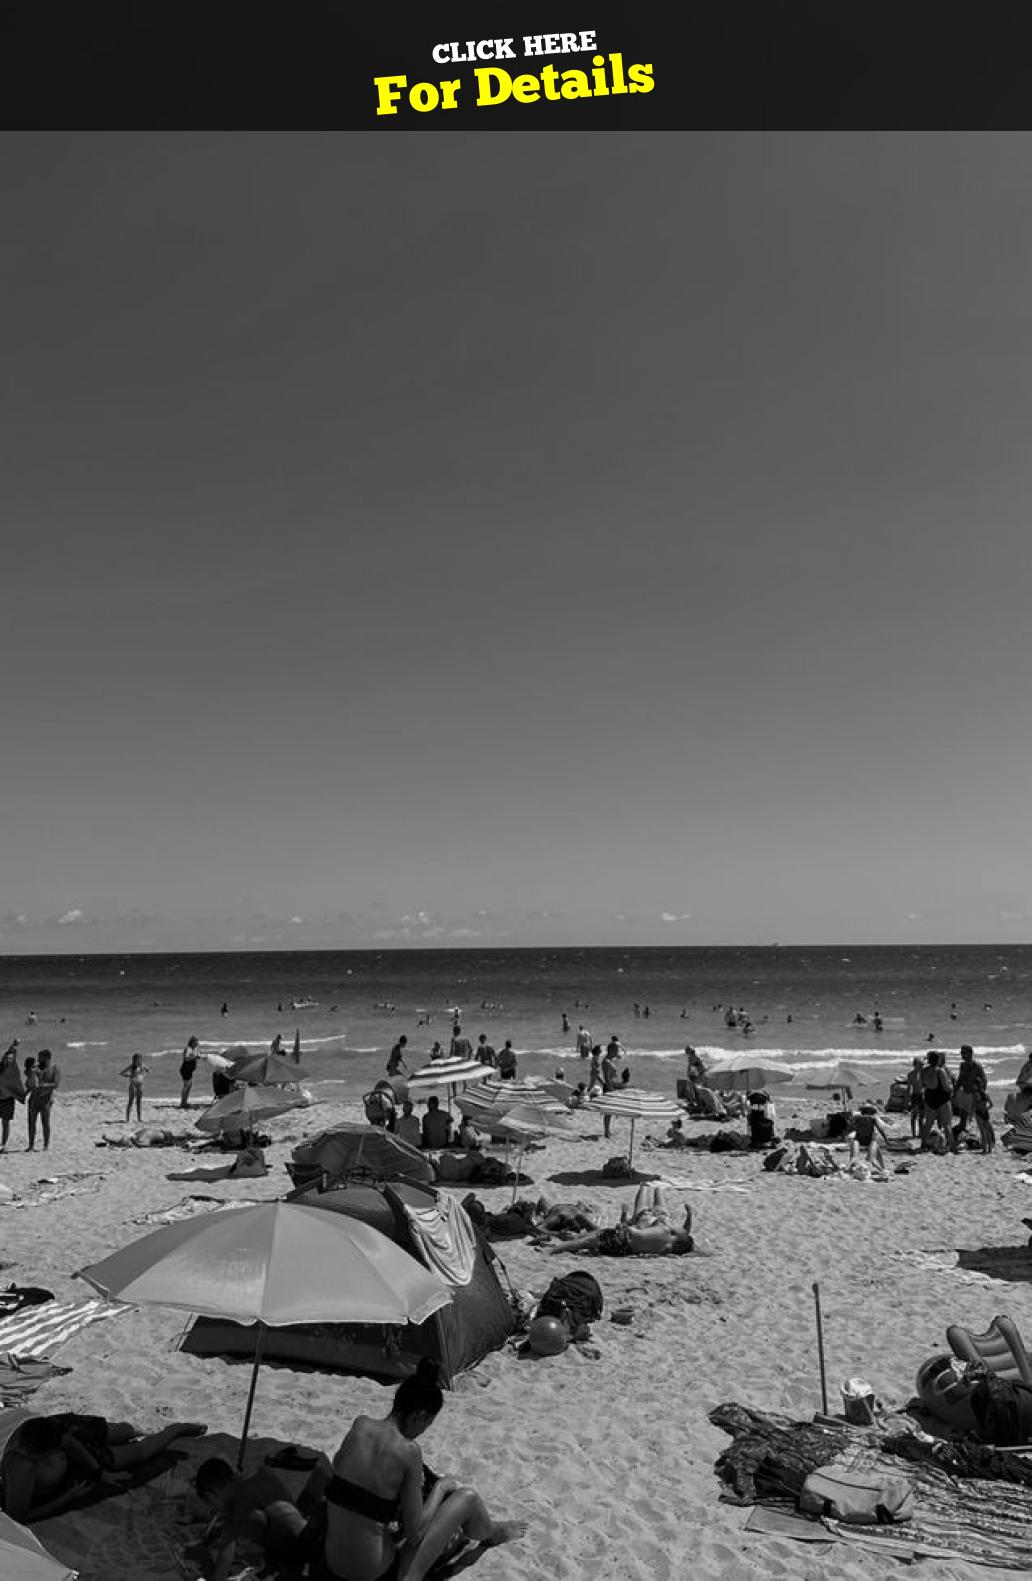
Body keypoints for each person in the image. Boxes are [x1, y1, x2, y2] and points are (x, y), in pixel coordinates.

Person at [323, 1357, 525, 1581]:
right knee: (467, 1497)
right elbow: (415, 1533)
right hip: (381, 1577)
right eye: (427, 1425)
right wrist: (440, 1488)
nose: (422, 1431)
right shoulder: (408, 1451)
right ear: (420, 1416)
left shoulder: (360, 1426)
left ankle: (491, 1530)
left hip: (332, 1568)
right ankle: (492, 1533)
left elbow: (347, 1479)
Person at [0, 1413, 207, 1522]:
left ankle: (132, 1430)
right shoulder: (21, 1469)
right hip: (72, 1465)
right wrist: (67, 1498)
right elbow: (18, 1516)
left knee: (123, 1431)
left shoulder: (51, 1433)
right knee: (139, 1452)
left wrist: (100, 1472)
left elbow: (70, 1442)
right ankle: (175, 1430)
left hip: (70, 1432)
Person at [193, 1454, 328, 1581]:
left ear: (214, 1491)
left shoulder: (237, 1507)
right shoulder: (262, 1475)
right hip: (310, 1528)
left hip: (303, 1554)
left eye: (210, 1502)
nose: (213, 1509)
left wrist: (204, 1559)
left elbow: (223, 1565)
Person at [547, 1184, 694, 1257]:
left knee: (590, 1240)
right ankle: (563, 1244)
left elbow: (638, 1234)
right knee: (594, 1236)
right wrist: (689, 1215)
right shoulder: (667, 1245)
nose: (682, 1229)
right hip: (628, 1246)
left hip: (624, 1241)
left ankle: (555, 1249)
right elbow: (685, 1234)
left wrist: (627, 1226)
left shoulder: (665, 1231)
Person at [920, 1050, 957, 1152]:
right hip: (942, 1099)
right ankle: (953, 1147)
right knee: (947, 1124)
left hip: (929, 1098)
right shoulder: (940, 1071)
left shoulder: (923, 1071)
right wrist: (952, 1087)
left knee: (928, 1123)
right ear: (938, 1060)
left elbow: (922, 1085)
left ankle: (923, 1144)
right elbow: (946, 1087)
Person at [952, 1044, 988, 1143]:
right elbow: (960, 1079)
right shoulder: (962, 1065)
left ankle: (987, 1140)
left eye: (963, 1053)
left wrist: (981, 1096)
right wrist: (954, 1092)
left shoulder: (976, 1065)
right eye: (961, 1052)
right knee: (963, 1118)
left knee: (980, 1120)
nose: (961, 1054)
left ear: (970, 1053)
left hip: (974, 1095)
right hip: (965, 1095)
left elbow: (984, 1080)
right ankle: (956, 1136)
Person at [27, 1049, 59, 1151]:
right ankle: (31, 1146)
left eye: (40, 1057)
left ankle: (46, 1145)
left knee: (45, 1123)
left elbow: (56, 1084)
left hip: (46, 1100)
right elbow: (29, 1082)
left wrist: (44, 1086)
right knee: (31, 1123)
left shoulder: (54, 1069)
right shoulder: (35, 1068)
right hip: (34, 1099)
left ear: (46, 1058)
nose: (38, 1059)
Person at [0, 1042, 26, 1152]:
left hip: (8, 1100)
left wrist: (14, 1045)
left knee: (5, 1123)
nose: (9, 1060)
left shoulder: (12, 1071)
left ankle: (3, 1145)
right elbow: (10, 1052)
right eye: (7, 1059)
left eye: (10, 1059)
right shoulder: (0, 1067)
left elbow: (11, 1052)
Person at [848, 1102, 889, 1171]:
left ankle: (853, 1162)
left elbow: (850, 1128)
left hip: (858, 1139)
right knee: (876, 1146)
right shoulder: (872, 1118)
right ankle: (880, 1165)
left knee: (854, 1145)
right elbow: (880, 1130)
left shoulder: (857, 1118)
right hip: (869, 1140)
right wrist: (886, 1140)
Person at [120, 1053, 149, 1123]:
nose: (138, 1061)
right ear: (133, 1060)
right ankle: (127, 1119)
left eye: (139, 1060)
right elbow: (122, 1073)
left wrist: (143, 1076)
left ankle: (139, 1118)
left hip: (140, 1086)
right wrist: (129, 1076)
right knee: (131, 1102)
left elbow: (147, 1071)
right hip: (133, 1085)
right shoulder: (131, 1067)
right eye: (136, 1060)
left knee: (139, 1102)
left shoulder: (142, 1066)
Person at [905, 1055, 925, 1138]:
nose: (921, 1066)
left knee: (921, 1116)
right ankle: (913, 1134)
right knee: (914, 1116)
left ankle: (920, 1133)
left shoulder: (923, 1073)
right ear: (915, 1065)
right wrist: (908, 1100)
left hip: (922, 1096)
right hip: (915, 1096)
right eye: (920, 1065)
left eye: (922, 1065)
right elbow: (909, 1088)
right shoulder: (911, 1075)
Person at [179, 1036, 200, 1108]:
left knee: (189, 1086)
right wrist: (195, 1056)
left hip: (189, 1070)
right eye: (196, 1042)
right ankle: (182, 1102)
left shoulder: (194, 1049)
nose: (198, 1043)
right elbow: (186, 1059)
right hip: (186, 1069)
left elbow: (195, 1056)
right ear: (192, 1042)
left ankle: (185, 1102)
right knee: (186, 1085)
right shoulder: (188, 1049)